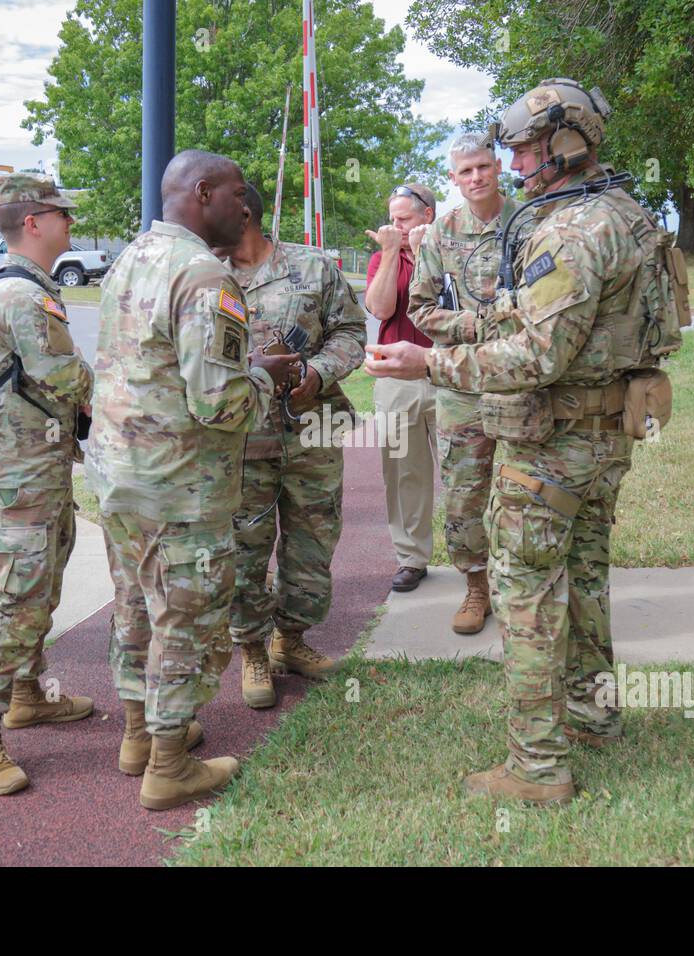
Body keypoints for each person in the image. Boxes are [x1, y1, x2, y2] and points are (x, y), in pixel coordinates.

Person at [366, 78, 669, 804]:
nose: (517, 162)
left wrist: (428, 360)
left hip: (552, 442)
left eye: (528, 148)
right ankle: (594, 711)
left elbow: (537, 357)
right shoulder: (624, 213)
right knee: (587, 576)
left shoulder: (569, 230)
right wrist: (471, 324)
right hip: (604, 435)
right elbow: (546, 315)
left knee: (526, 592)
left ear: (567, 144)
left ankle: (537, 766)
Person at [87, 151, 298, 809]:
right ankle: (170, 766)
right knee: (186, 619)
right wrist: (269, 374)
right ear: (203, 192)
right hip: (179, 485)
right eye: (237, 193)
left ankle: (136, 738)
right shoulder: (205, 276)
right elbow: (220, 404)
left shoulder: (132, 257)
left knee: (134, 604)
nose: (245, 205)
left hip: (120, 476)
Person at [0, 173, 96, 796]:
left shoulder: (20, 286)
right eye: (60, 215)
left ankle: (26, 694)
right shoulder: (20, 295)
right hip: (11, 480)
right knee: (11, 600)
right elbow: (63, 376)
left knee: (38, 589)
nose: (70, 223)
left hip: (31, 472)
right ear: (33, 222)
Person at [212, 183, 366, 708]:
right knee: (245, 547)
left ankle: (291, 639)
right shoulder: (206, 276)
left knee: (312, 542)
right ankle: (252, 648)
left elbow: (350, 331)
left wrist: (319, 373)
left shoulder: (313, 267)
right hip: (242, 439)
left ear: (245, 213)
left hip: (312, 431)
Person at [407, 133, 521, 634]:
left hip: (522, 381)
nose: (475, 178)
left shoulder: (530, 222)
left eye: (482, 167)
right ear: (453, 179)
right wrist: (474, 325)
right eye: (464, 172)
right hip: (460, 387)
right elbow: (420, 310)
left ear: (498, 167)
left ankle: (522, 584)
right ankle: (476, 587)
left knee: (527, 491)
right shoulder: (438, 235)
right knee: (463, 494)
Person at [365, 183, 438, 593]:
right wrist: (393, 251)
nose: (394, 226)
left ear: (428, 216)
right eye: (392, 219)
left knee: (468, 468)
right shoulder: (382, 257)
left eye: (404, 219)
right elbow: (380, 309)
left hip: (447, 370)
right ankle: (411, 557)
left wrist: (428, 251)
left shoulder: (451, 250)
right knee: (402, 470)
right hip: (396, 376)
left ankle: (477, 558)